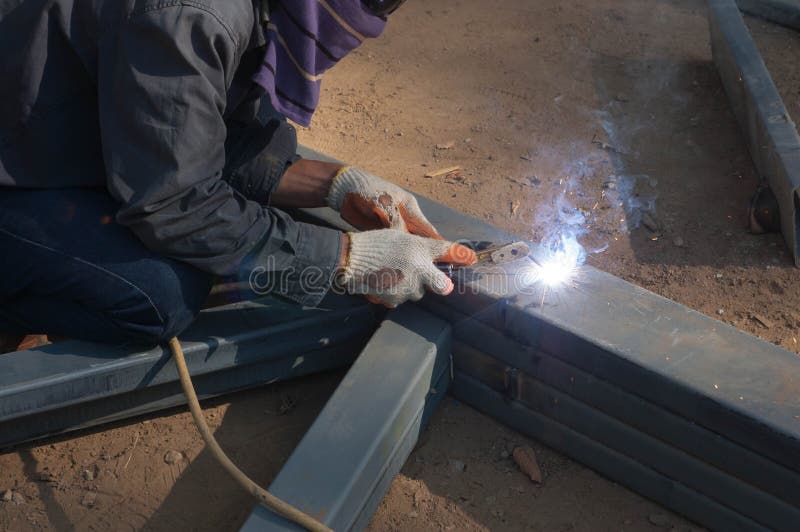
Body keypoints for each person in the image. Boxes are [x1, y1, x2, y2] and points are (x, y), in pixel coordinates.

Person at [0, 0, 475, 347]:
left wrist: (335, 186)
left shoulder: (247, 12)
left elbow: (210, 130)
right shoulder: (195, 17)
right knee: (159, 294)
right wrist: (345, 259)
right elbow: (172, 203)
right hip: (16, 166)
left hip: (57, 131)